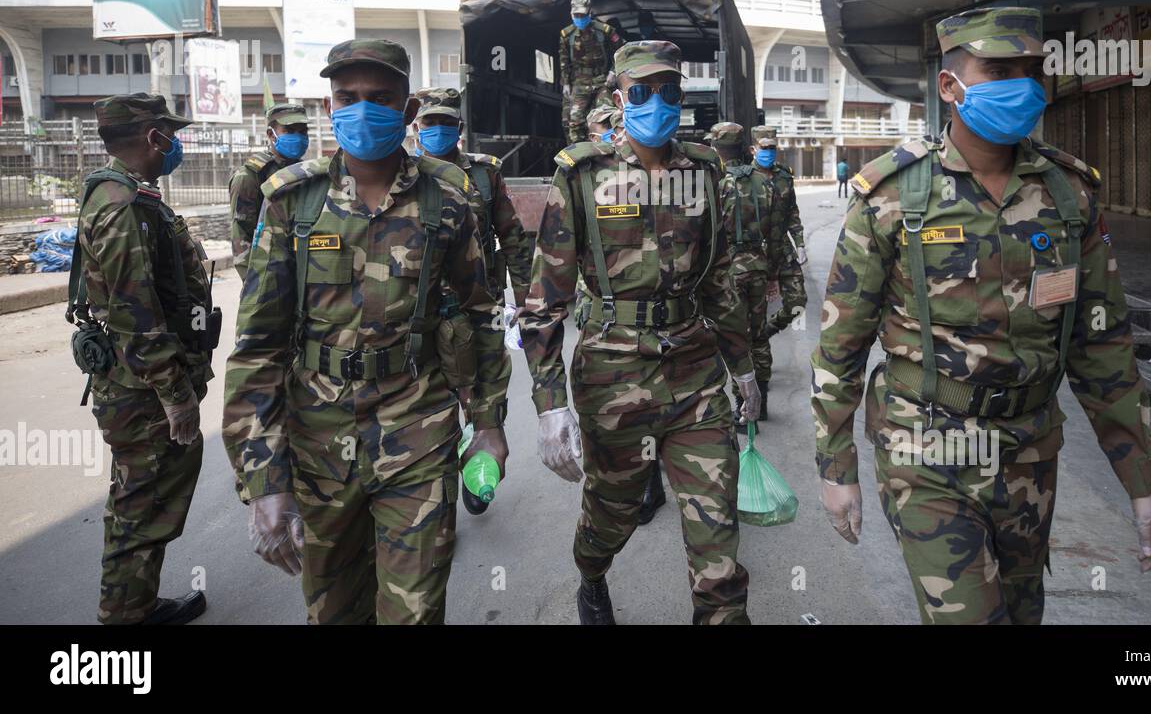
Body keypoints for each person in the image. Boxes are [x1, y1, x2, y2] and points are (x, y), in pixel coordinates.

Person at [810, 6, 1151, 624]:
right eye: (1001, 69)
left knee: (1021, 614)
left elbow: (1103, 347)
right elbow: (841, 343)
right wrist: (836, 466)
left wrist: (1144, 480)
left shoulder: (1068, 194)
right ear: (950, 87)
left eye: (1033, 70)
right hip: (925, 447)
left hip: (1030, 451)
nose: (1024, 86)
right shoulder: (894, 197)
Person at [223, 39, 509, 624]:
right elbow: (257, 346)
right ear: (330, 108)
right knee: (334, 611)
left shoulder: (448, 199)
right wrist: (263, 479)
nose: (362, 110)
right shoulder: (292, 202)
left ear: (406, 111)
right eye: (347, 97)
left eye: (379, 98)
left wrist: (488, 424)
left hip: (418, 429)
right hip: (317, 441)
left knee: (415, 610)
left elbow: (480, 316)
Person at [519, 40, 760, 625]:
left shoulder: (704, 171)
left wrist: (744, 366)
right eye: (643, 92)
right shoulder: (582, 175)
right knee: (613, 514)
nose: (658, 103)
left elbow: (720, 278)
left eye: (670, 91)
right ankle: (593, 575)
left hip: (696, 373)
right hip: (613, 375)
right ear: (620, 99)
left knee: (717, 531)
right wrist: (550, 406)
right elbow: (544, 299)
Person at [69, 93, 216, 625]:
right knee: (141, 506)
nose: (174, 143)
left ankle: (135, 603)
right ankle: (125, 620)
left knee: (142, 499)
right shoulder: (122, 206)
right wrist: (176, 398)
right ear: (154, 138)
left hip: (139, 383)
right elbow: (135, 314)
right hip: (145, 391)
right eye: (169, 134)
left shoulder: (123, 195)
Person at [411, 85, 534, 515]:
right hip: (420, 314)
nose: (438, 130)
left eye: (447, 122)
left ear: (459, 128)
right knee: (429, 400)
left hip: (478, 307)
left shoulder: (484, 174)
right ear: (416, 127)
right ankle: (437, 484)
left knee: (484, 393)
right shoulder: (403, 174)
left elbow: (514, 239)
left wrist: (527, 300)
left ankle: (478, 457)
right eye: (431, 123)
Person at [709, 121, 777, 425]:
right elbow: (774, 232)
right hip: (759, 267)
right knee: (759, 335)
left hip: (730, 270)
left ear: (717, 149)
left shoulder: (717, 184)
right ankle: (760, 404)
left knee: (735, 336)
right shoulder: (764, 183)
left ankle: (741, 405)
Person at [229, 102, 309, 279]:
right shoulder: (250, 176)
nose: (298, 137)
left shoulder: (307, 171)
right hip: (269, 274)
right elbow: (242, 237)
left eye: (302, 132)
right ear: (270, 134)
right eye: (289, 131)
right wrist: (254, 285)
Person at [752, 126, 808, 348]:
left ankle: (765, 333)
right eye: (764, 148)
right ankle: (756, 350)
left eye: (772, 148)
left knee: (797, 303)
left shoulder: (784, 176)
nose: (769, 152)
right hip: (755, 254)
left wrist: (800, 243)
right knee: (754, 311)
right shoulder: (744, 179)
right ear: (753, 149)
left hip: (783, 250)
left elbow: (792, 212)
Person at [559, 0, 622, 145]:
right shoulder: (566, 35)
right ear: (571, 14)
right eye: (576, 15)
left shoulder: (605, 30)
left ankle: (609, 149)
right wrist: (566, 83)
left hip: (602, 80)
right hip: (580, 81)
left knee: (607, 115)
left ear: (590, 13)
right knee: (574, 120)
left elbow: (621, 52)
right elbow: (564, 60)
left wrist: (613, 72)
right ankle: (577, 152)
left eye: (583, 15)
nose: (579, 18)